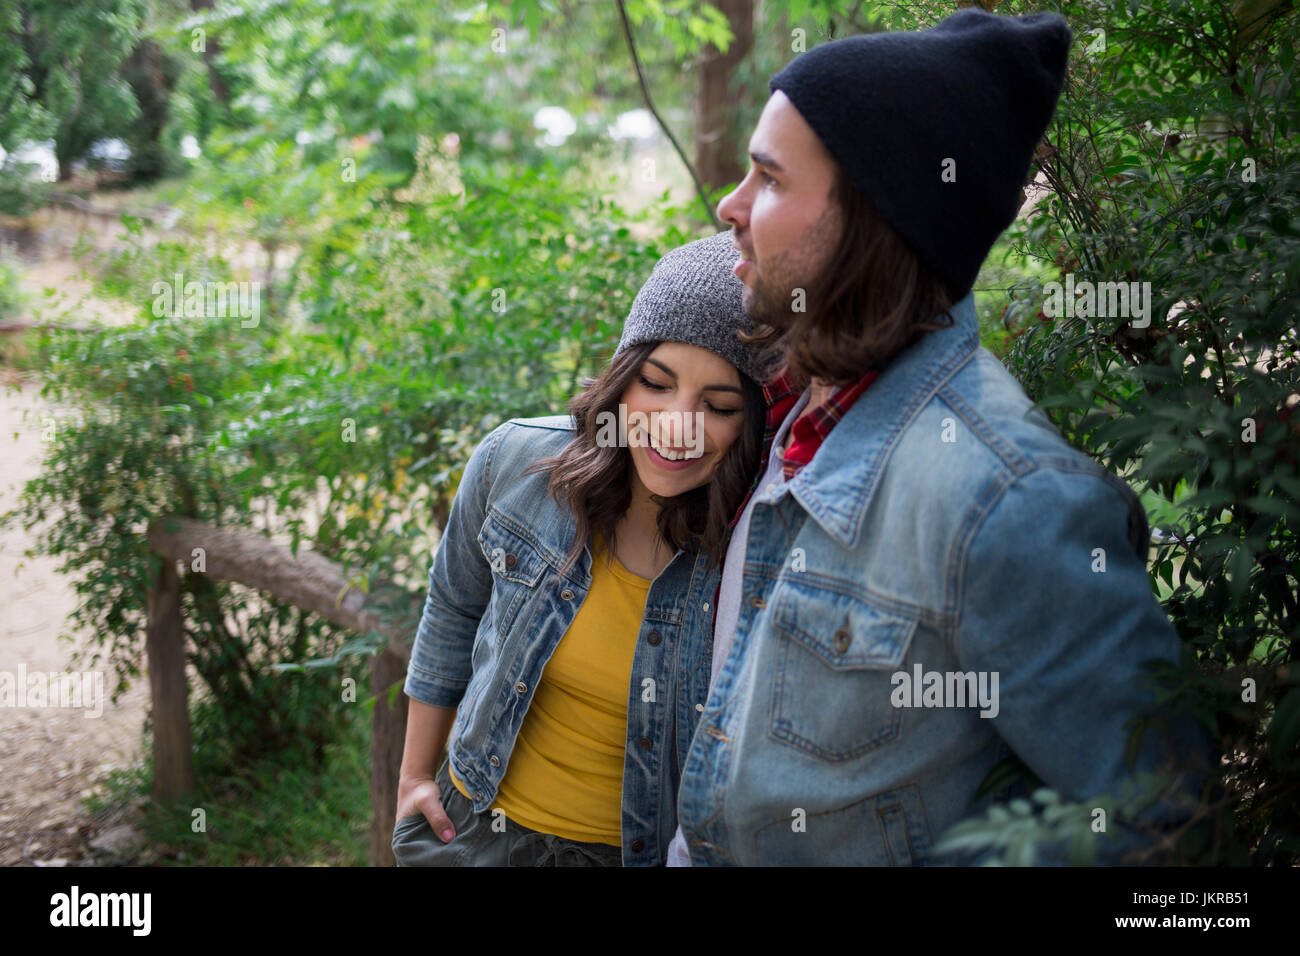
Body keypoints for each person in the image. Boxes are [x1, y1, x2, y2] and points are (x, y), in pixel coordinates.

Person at [668, 7, 1212, 866]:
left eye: (770, 180)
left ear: (872, 220)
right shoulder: (807, 413)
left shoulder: (1011, 502)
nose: (730, 205)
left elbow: (1158, 834)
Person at [392, 230, 766, 866]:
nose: (677, 424)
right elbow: (452, 609)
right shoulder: (516, 461)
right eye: (656, 383)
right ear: (621, 379)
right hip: (469, 834)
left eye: (718, 405)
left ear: (751, 423)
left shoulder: (753, 548)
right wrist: (412, 777)